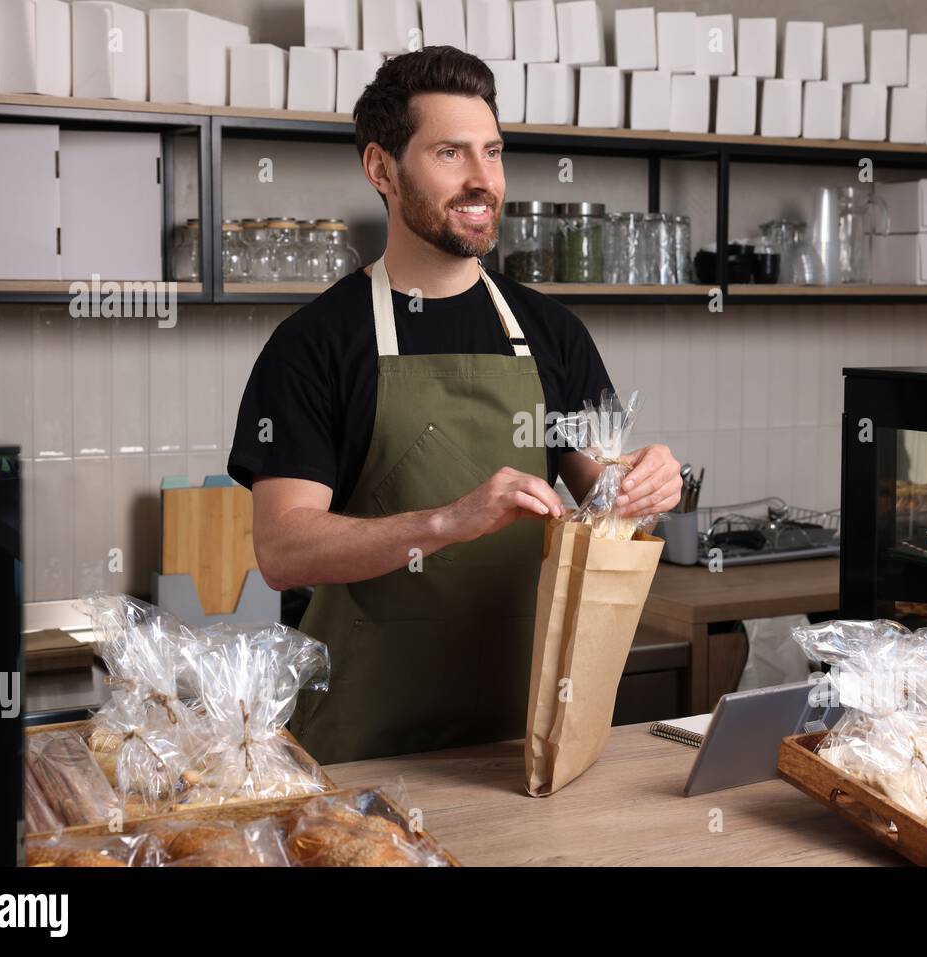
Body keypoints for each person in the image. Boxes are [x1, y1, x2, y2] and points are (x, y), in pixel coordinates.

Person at [228, 47, 681, 764]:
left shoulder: (552, 334)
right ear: (382, 169)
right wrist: (445, 521)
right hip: (365, 751)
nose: (483, 181)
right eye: (450, 153)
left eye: (493, 153)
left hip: (523, 741)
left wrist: (652, 484)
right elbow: (282, 550)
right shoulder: (314, 344)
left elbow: (608, 501)